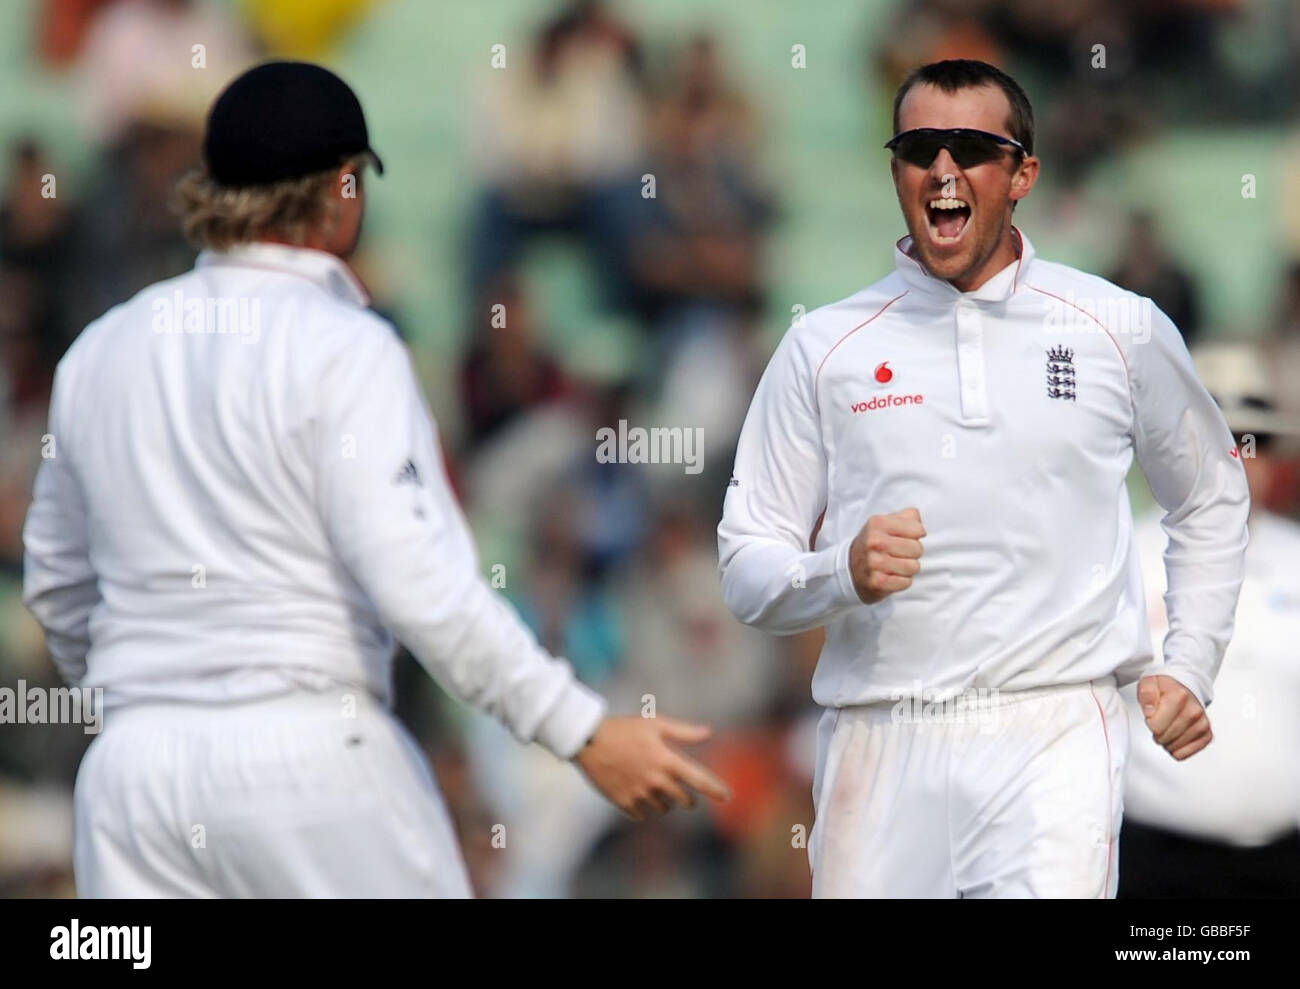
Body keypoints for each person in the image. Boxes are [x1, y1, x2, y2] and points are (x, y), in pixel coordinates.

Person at [22, 60, 727, 899]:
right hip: (312, 759)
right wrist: (579, 729)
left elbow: (59, 587)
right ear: (342, 189)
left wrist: (150, 696)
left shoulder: (99, 350)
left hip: (131, 780)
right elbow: (420, 585)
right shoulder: (348, 347)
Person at [717, 59, 1250, 898]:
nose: (943, 170)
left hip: (1056, 726)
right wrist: (838, 572)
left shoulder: (1118, 327)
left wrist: (1190, 663)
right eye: (920, 147)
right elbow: (747, 567)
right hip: (881, 733)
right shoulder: (824, 349)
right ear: (896, 169)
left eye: (971, 147)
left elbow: (1211, 496)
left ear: (1023, 174)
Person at [1119, 343, 1300, 898]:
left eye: (1255, 441)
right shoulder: (1118, 560)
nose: (1239, 457)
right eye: (1218, 437)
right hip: (1157, 866)